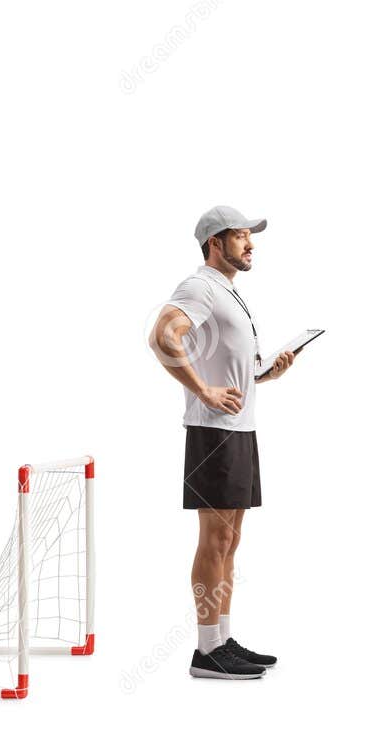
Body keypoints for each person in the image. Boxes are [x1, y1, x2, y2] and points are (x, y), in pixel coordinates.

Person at [149, 206, 300, 680]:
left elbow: (227, 364)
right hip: (213, 433)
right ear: (215, 243)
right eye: (240, 237)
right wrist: (203, 391)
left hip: (239, 430)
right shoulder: (200, 287)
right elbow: (161, 337)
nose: (250, 244)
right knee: (215, 541)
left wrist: (264, 374)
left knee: (231, 542)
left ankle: (221, 639)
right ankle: (205, 651)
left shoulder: (228, 292)